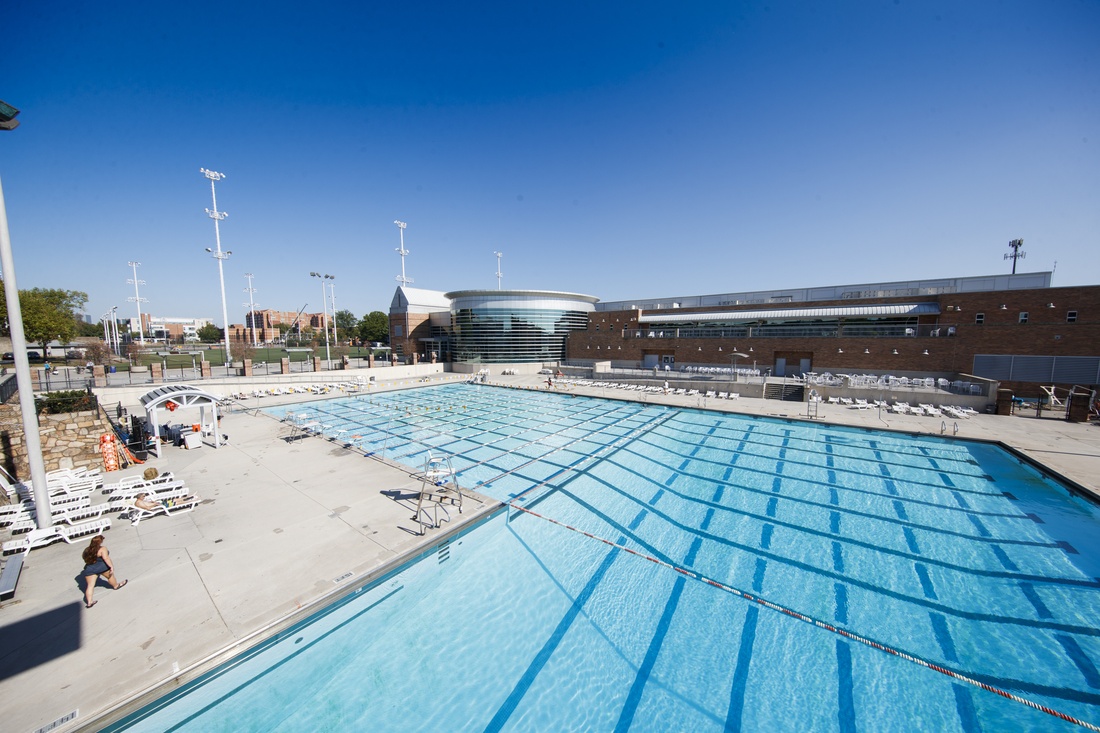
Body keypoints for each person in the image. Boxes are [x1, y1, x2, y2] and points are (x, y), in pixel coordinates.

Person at [80, 534, 127, 608]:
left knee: (90, 586)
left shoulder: (87, 550)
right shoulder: (102, 549)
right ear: (100, 542)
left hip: (90, 569)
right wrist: (111, 567)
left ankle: (89, 602)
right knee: (110, 577)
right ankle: (116, 586)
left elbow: (84, 558)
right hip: (102, 567)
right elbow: (106, 558)